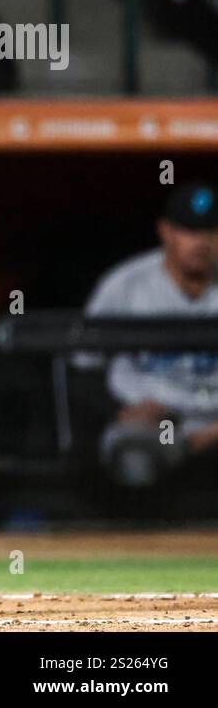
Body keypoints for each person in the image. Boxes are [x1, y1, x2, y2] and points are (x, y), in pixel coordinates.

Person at [83, 181, 218, 489]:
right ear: (165, 231)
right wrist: (116, 411)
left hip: (213, 423)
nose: (201, 242)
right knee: (133, 457)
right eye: (189, 230)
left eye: (211, 231)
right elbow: (82, 367)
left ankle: (188, 448)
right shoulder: (127, 284)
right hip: (154, 425)